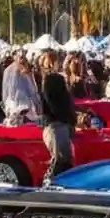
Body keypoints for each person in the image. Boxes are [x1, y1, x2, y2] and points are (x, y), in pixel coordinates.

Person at [38, 50, 76, 184]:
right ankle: (53, 185)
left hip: (55, 126)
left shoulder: (48, 81)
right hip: (57, 126)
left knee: (61, 161)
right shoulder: (52, 81)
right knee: (62, 162)